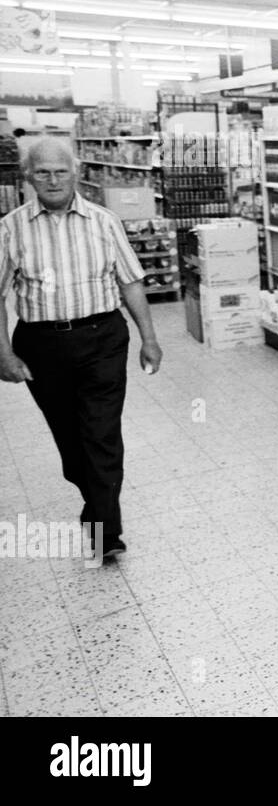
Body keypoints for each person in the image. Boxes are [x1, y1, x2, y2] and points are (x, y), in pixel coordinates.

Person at [0, 136, 163, 562]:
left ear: (76, 173)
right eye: (43, 173)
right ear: (28, 176)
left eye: (61, 171)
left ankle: (105, 531)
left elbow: (130, 282)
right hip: (41, 345)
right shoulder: (10, 228)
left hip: (102, 338)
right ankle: (96, 505)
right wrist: (3, 353)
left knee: (101, 433)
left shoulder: (104, 221)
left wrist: (149, 338)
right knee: (71, 442)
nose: (53, 180)